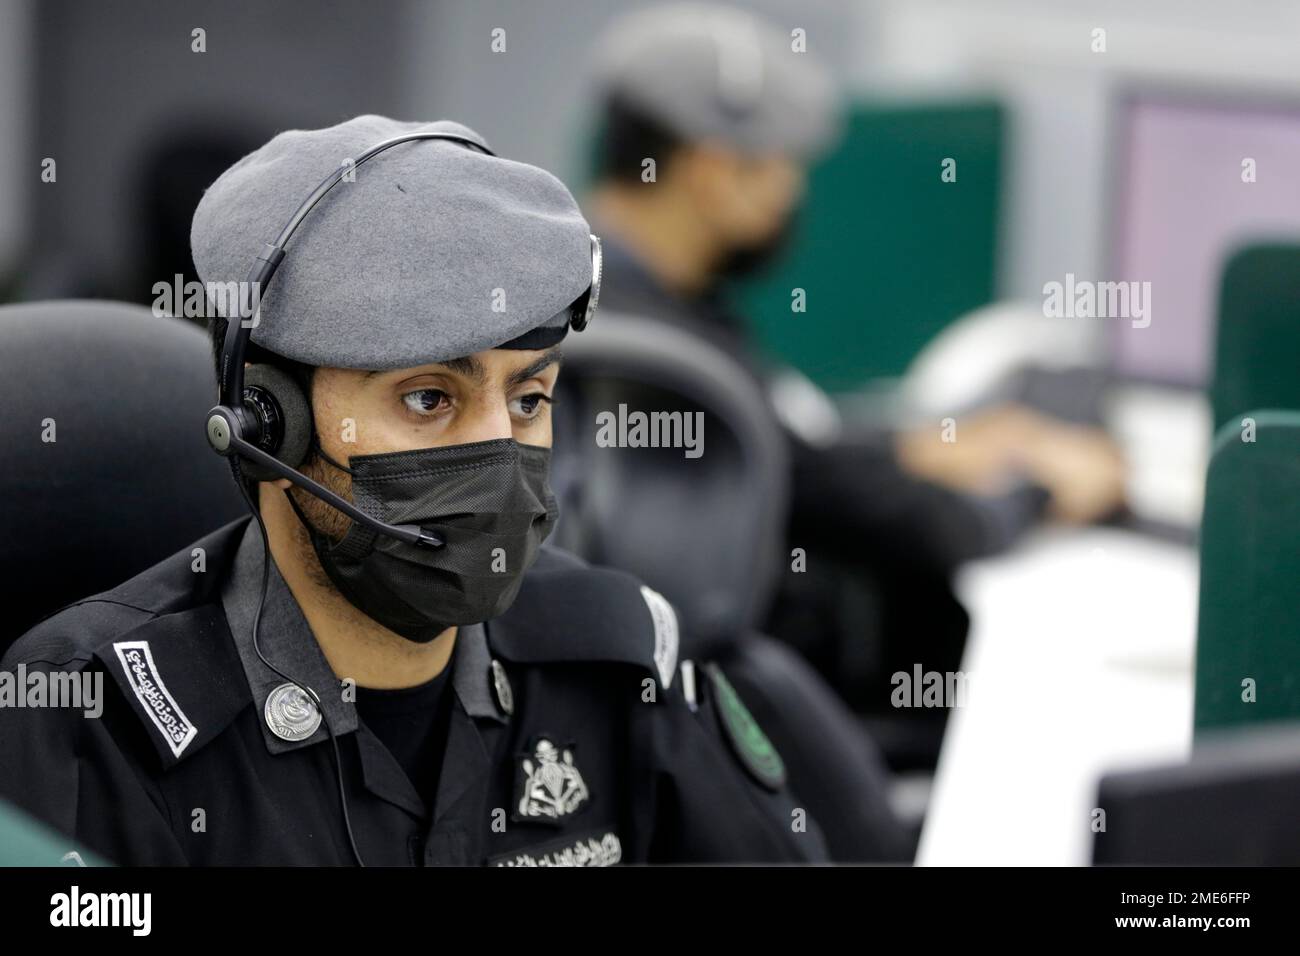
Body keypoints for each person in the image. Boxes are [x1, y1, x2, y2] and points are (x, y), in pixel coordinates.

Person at [0, 115, 825, 866]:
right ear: (269, 423)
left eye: (528, 399)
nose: (498, 455)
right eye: (429, 399)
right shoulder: (99, 720)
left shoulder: (616, 661)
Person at [584, 5, 1126, 721]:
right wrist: (1039, 490)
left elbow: (802, 459)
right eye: (781, 166)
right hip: (782, 715)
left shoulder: (598, 293)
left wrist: (918, 447)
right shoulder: (669, 357)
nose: (793, 193)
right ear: (714, 173)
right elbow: (868, 512)